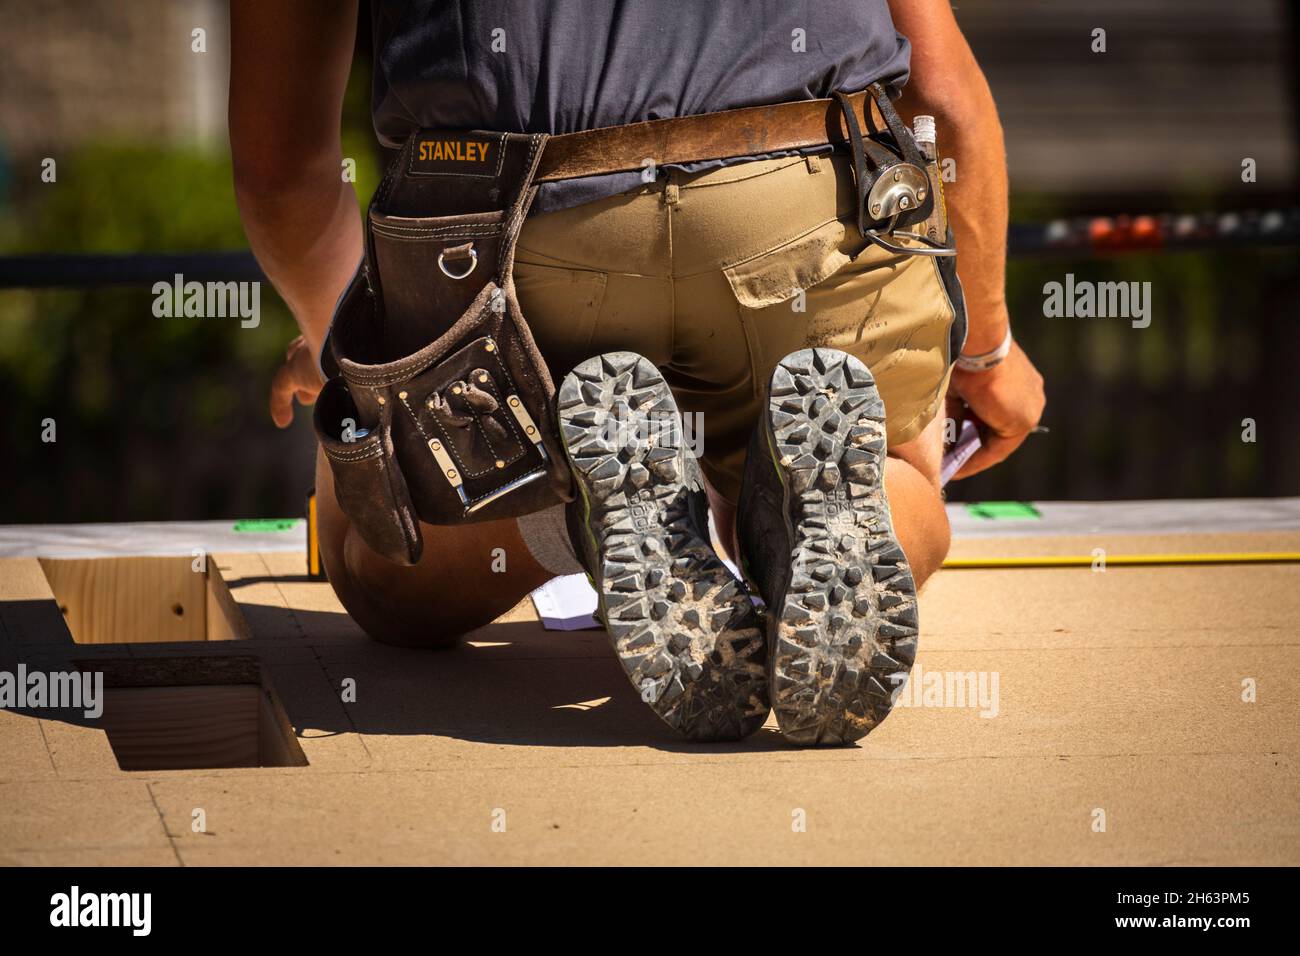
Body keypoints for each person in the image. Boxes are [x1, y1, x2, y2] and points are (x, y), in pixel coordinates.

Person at [229, 0, 1045, 745]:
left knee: (371, 568)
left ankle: (563, 499)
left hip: (512, 232)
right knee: (896, 465)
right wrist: (987, 352)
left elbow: (281, 171)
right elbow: (940, 96)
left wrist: (357, 341)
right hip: (803, 194)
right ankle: (796, 516)